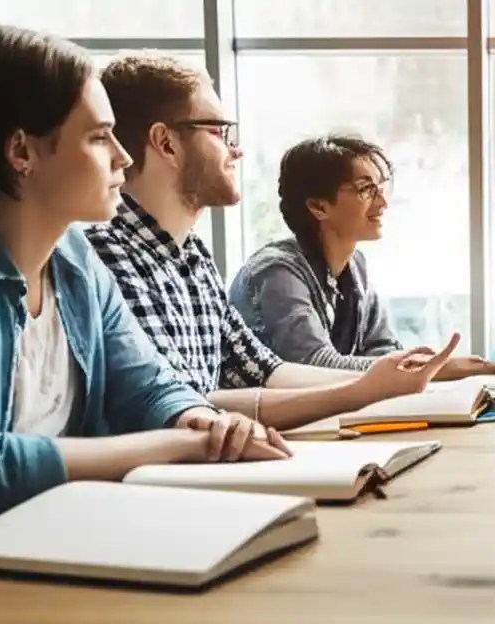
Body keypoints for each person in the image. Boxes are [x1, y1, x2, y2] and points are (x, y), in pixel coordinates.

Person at [0, 25, 289, 531]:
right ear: (21, 152)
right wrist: (183, 443)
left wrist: (196, 418)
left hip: (66, 535)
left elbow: (146, 386)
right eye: (99, 137)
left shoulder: (75, 259)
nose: (122, 155)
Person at [85, 54, 459, 432]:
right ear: (166, 143)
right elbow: (186, 404)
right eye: (220, 131)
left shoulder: (191, 256)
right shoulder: (108, 257)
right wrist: (363, 390)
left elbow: (263, 369)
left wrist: (388, 380)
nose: (237, 150)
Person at [229, 134, 495, 378]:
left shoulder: (355, 265)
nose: (382, 203)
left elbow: (380, 348)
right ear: (318, 206)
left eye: (381, 188)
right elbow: (313, 365)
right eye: (366, 190)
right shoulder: (276, 273)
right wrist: (430, 368)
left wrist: (416, 363)